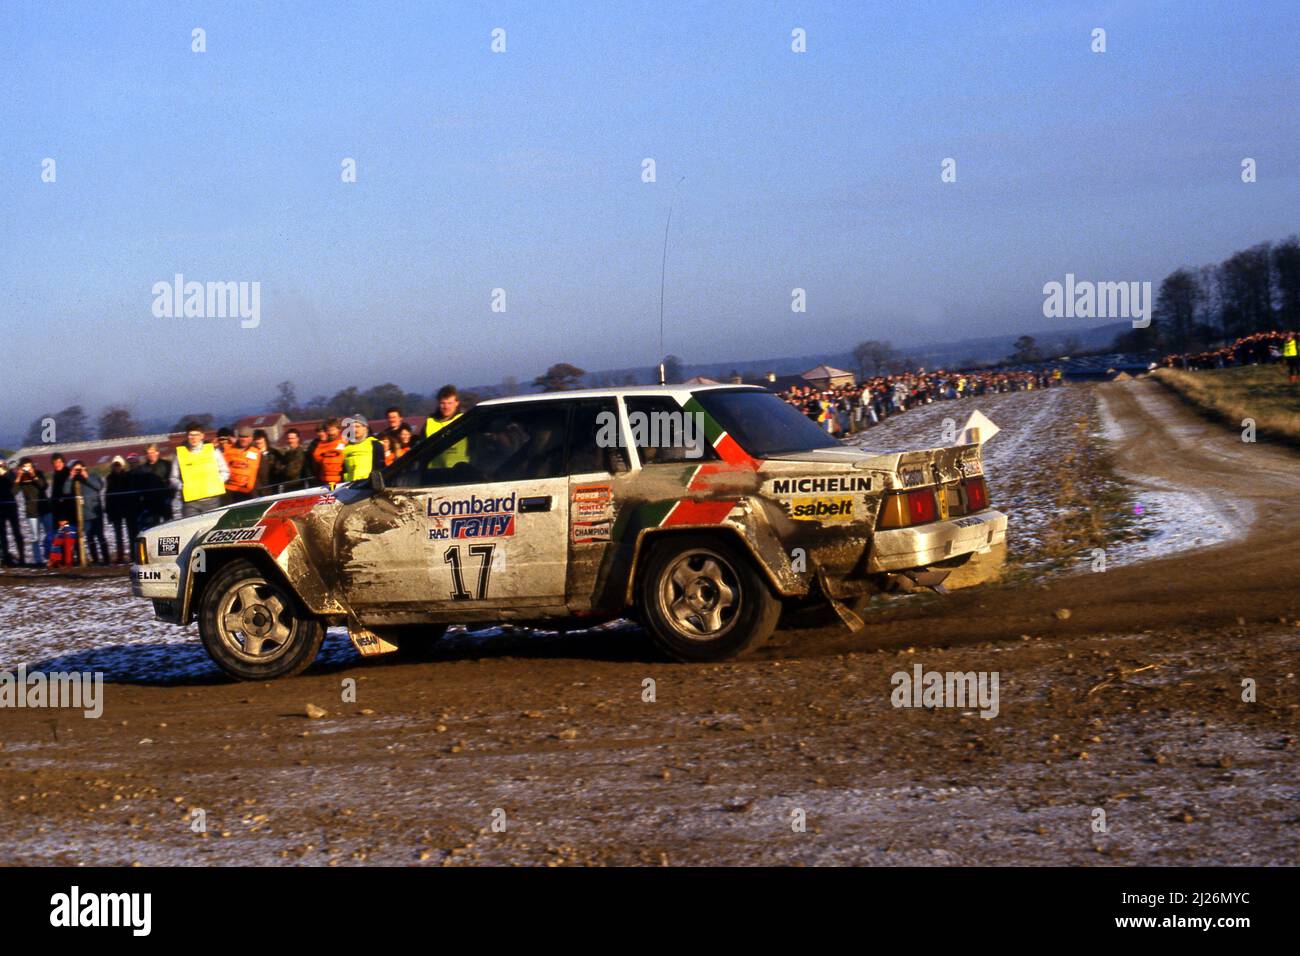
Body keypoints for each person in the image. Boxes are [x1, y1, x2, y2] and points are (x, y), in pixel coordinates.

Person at [173, 422, 228, 516]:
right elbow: (173, 477)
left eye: (197, 435)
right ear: (187, 436)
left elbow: (225, 471)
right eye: (191, 435)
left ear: (202, 436)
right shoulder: (180, 454)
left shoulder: (213, 451)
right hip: (190, 502)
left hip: (212, 500)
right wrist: (181, 486)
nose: (194, 438)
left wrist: (216, 482)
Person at [70, 460, 109, 565]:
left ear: (84, 468)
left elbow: (99, 487)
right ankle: (95, 560)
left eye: (79, 469)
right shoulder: (74, 480)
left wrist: (86, 476)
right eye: (76, 469)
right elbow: (65, 490)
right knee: (90, 538)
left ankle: (106, 559)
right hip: (84, 514)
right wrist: (70, 477)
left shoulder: (92, 475)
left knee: (100, 536)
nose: (78, 471)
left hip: (96, 513)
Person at [105, 455, 140, 563]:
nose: (117, 467)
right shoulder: (109, 478)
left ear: (122, 465)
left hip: (128, 508)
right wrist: (108, 510)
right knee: (118, 535)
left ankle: (134, 555)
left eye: (119, 465)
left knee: (131, 533)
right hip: (116, 509)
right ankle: (120, 556)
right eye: (115, 465)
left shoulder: (127, 476)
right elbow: (108, 494)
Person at [14, 458, 49, 565]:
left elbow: (44, 486)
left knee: (50, 533)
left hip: (45, 508)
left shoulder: (39, 473)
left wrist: (33, 475)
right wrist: (18, 478)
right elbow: (13, 493)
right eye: (24, 467)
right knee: (35, 537)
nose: (27, 469)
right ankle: (38, 561)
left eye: (29, 466)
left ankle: (51, 556)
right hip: (31, 511)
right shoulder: (21, 479)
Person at [135, 444, 173, 528]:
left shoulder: (167, 465)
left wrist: (170, 497)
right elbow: (140, 486)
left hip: (165, 501)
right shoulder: (142, 469)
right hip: (150, 504)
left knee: (169, 527)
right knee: (153, 527)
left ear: (157, 452)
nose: (151, 455)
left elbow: (171, 482)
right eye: (148, 453)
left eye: (152, 452)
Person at [223, 426, 262, 502]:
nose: (244, 439)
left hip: (248, 493)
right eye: (241, 436)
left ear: (251, 438)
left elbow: (262, 474)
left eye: (246, 437)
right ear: (238, 437)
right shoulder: (227, 449)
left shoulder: (257, 452)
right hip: (229, 492)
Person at [341, 416, 384, 482]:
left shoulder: (374, 443)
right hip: (348, 486)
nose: (355, 430)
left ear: (365, 428)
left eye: (358, 427)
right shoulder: (345, 447)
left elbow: (380, 467)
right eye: (352, 427)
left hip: (367, 485)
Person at [311, 419, 348, 488]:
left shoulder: (343, 442)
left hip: (340, 481)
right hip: (324, 481)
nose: (331, 433)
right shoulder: (322, 444)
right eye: (328, 430)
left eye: (333, 430)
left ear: (339, 429)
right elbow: (316, 458)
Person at [0, 459, 23, 567]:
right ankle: (6, 557)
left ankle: (22, 557)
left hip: (11, 505)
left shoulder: (10, 473)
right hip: (0, 507)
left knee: (16, 531)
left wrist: (6, 473)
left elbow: (15, 487)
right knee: (2, 534)